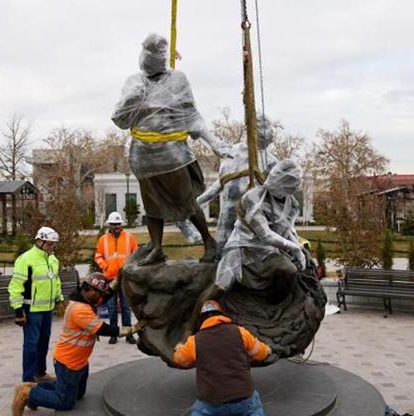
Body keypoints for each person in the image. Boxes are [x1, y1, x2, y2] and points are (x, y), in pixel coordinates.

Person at [111, 33, 229, 266]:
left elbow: (192, 116)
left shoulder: (177, 80)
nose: (147, 59)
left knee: (186, 201)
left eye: (152, 54)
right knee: (151, 205)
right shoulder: (134, 81)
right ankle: (156, 247)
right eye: (145, 52)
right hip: (143, 157)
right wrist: (132, 100)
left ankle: (208, 241)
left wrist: (214, 143)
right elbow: (120, 119)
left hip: (173, 156)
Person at [11, 273, 134, 416]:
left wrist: (118, 280)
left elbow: (105, 296)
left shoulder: (86, 298)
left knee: (78, 394)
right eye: (99, 293)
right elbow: (103, 329)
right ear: (91, 291)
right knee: (65, 402)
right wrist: (133, 329)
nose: (102, 297)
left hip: (79, 363)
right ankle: (27, 393)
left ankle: (33, 387)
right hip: (68, 364)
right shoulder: (79, 309)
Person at [172, 300, 273, 416]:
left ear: (202, 319)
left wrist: (179, 347)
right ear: (222, 315)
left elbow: (179, 359)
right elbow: (262, 353)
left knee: (197, 412)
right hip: (243, 398)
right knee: (256, 408)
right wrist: (266, 349)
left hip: (212, 402)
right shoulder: (240, 332)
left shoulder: (195, 341)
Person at [215, 160, 308, 298]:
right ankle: (274, 303)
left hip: (273, 249)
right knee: (289, 270)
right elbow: (266, 235)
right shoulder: (254, 197)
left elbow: (286, 230)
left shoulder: (292, 203)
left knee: (307, 264)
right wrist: (294, 248)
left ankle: (287, 301)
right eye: (291, 186)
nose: (294, 189)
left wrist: (300, 249)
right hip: (247, 248)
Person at [196, 115, 278, 252]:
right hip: (227, 215)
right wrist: (198, 202)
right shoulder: (232, 153)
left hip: (253, 218)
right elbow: (221, 183)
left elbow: (277, 196)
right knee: (222, 253)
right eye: (263, 128)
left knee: (253, 257)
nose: (269, 134)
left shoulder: (270, 161)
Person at [8, 227, 64, 384]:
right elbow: (15, 286)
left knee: (44, 343)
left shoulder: (53, 259)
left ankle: (40, 373)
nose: (52, 247)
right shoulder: (25, 259)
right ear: (39, 241)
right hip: (32, 311)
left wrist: (59, 299)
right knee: (31, 346)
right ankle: (28, 380)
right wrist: (18, 311)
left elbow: (56, 281)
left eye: (54, 244)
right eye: (49, 244)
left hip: (47, 311)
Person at [94, 211, 138, 345]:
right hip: (109, 279)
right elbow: (98, 256)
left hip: (124, 278)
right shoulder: (103, 239)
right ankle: (114, 334)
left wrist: (130, 268)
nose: (116, 226)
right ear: (110, 225)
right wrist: (105, 266)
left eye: (118, 224)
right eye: (114, 224)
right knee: (112, 308)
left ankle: (128, 334)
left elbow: (135, 254)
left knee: (126, 307)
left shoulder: (129, 237)